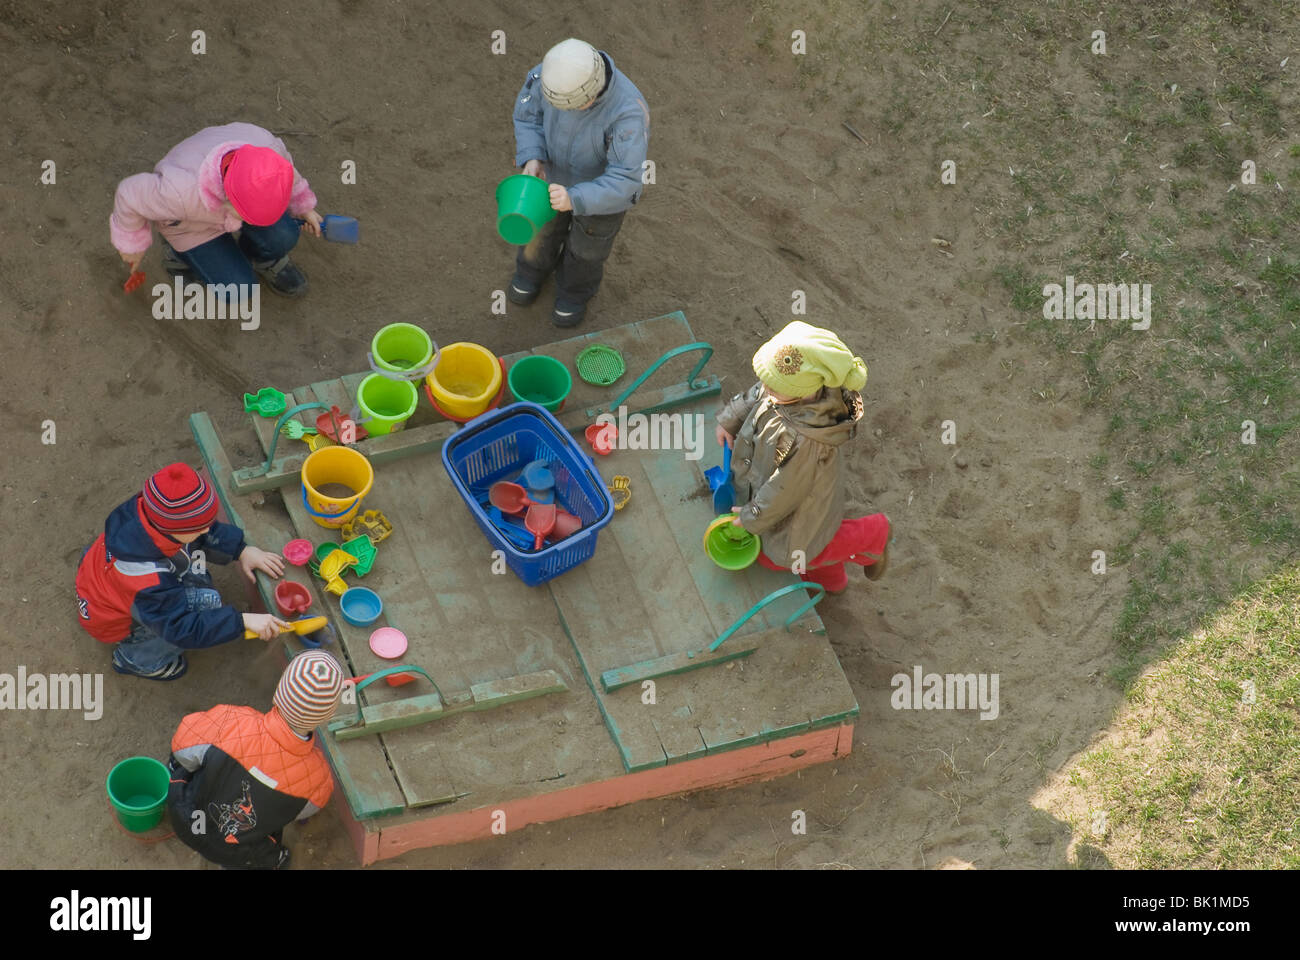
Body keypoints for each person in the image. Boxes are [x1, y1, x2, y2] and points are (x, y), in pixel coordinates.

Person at [715, 321, 890, 594]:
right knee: (810, 542)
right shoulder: (785, 389)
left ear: (804, 391)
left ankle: (873, 534)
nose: (764, 387)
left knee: (780, 556)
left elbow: (783, 489)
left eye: (771, 385)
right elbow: (756, 393)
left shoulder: (806, 440)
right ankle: (832, 582)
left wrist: (753, 516)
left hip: (799, 496)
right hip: (783, 484)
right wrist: (731, 418)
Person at [74, 462, 291, 680]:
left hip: (106, 581)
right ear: (172, 530)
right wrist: (240, 621)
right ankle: (137, 659)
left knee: (195, 569)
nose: (207, 529)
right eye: (199, 528)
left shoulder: (153, 514)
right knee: (206, 603)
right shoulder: (143, 579)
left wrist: (242, 550)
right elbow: (180, 628)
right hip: (117, 620)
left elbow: (202, 528)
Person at [508, 38, 650, 328]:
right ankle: (530, 271)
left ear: (593, 90)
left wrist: (577, 198)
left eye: (576, 106)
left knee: (587, 250)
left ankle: (573, 293)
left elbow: (625, 179)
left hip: (601, 201)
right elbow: (528, 116)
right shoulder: (549, 77)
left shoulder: (628, 113)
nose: (569, 112)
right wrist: (533, 157)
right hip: (551, 180)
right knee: (541, 230)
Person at [166, 650, 344, 869]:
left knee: (182, 765)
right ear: (328, 717)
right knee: (259, 852)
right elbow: (302, 812)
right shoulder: (318, 777)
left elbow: (181, 746)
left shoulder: (229, 720)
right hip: (235, 850)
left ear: (279, 691)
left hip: (189, 822)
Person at [110, 121, 322, 299]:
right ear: (229, 199)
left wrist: (303, 205)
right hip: (191, 224)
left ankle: (263, 259)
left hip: (225, 193)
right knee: (237, 290)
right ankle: (177, 255)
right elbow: (129, 194)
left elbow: (286, 172)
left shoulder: (267, 149)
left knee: (285, 233)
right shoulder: (179, 192)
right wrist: (131, 241)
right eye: (250, 215)